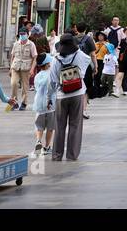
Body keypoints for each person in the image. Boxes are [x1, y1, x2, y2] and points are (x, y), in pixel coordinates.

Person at [52, 33, 93, 161]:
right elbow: (86, 65)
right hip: (78, 93)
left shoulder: (56, 59)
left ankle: (57, 155)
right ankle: (72, 155)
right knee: (75, 125)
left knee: (59, 126)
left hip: (61, 95)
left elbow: (52, 80)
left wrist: (51, 96)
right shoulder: (81, 56)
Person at [31, 52, 56, 154]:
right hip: (50, 104)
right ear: (47, 64)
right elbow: (53, 89)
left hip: (38, 104)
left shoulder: (37, 76)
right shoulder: (51, 75)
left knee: (39, 126)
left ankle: (38, 140)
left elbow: (37, 89)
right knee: (50, 127)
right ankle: (47, 147)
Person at [9, 27, 37, 110]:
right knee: (14, 83)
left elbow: (35, 57)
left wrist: (32, 69)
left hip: (26, 67)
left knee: (25, 86)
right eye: (20, 34)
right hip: (15, 66)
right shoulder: (16, 44)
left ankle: (24, 103)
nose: (22, 36)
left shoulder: (31, 44)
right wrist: (10, 68)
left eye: (23, 34)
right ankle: (14, 102)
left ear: (27, 35)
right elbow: (12, 56)